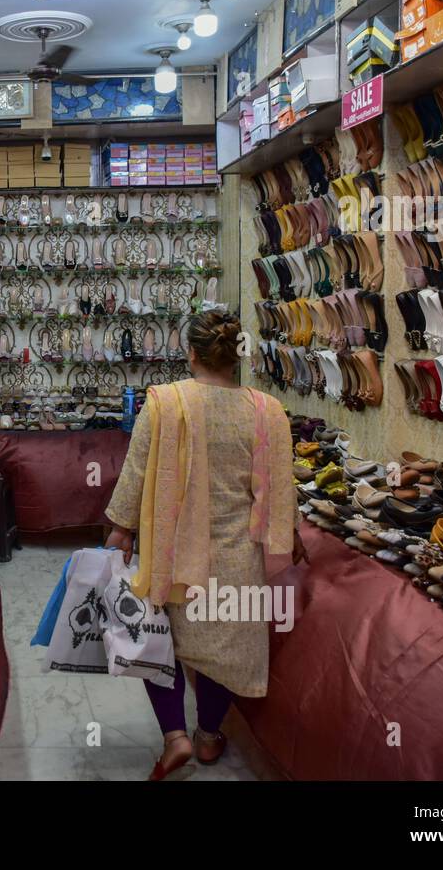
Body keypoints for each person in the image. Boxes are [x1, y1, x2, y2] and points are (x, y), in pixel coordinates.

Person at [104, 310, 297, 781]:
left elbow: (136, 470)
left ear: (191, 352)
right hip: (237, 554)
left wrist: (121, 529)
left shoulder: (165, 403)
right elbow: (279, 490)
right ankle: (209, 734)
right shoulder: (266, 410)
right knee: (221, 647)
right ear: (237, 356)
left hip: (172, 550)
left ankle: (175, 737)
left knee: (157, 638)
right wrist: (287, 538)